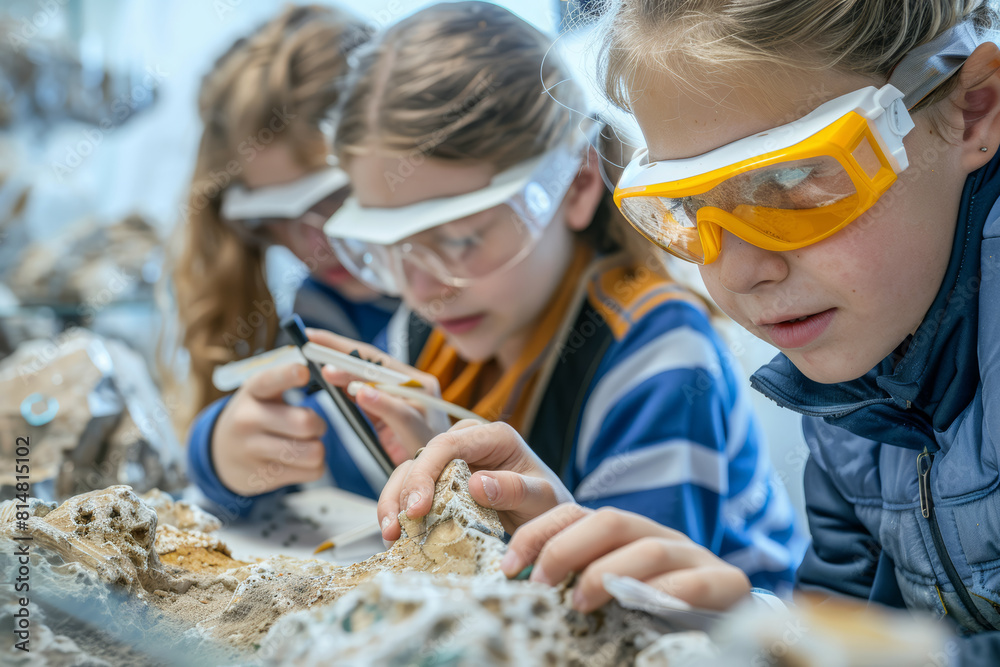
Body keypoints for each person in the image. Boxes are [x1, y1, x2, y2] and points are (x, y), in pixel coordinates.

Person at [380, 0, 1000, 660]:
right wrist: (721, 617)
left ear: (974, 109)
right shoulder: (854, 366)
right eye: (686, 203)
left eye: (790, 177)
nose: (736, 270)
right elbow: (843, 626)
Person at [269, 1, 806, 592]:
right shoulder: (426, 332)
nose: (422, 289)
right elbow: (311, 441)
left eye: (460, 239)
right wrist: (227, 446)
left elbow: (628, 607)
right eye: (391, 251)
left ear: (574, 182)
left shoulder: (658, 356)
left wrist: (461, 503)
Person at [176, 6, 396, 509]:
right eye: (275, 217)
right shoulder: (319, 309)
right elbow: (291, 467)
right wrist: (217, 451)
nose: (312, 244)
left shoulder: (477, 300)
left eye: (337, 198)